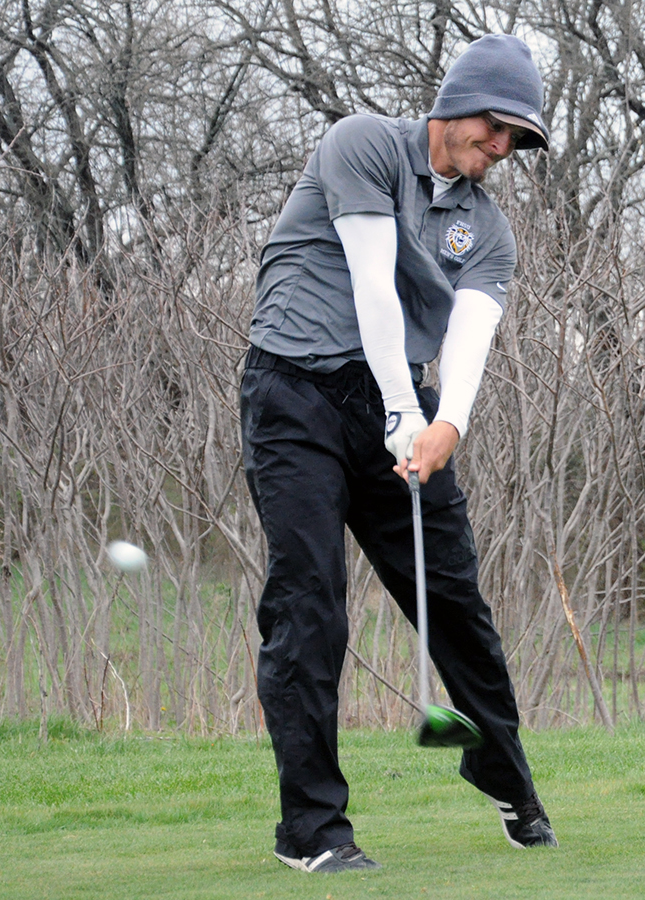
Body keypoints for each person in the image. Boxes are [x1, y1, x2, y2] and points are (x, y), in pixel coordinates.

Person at [240, 34, 556, 874]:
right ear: (455, 104)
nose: (502, 149)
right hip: (295, 393)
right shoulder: (363, 143)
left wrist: (445, 422)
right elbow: (373, 284)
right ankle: (310, 831)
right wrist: (400, 409)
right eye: (496, 127)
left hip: (398, 409)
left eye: (516, 141)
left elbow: (471, 335)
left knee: (453, 596)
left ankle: (501, 769)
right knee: (310, 605)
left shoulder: (488, 230)